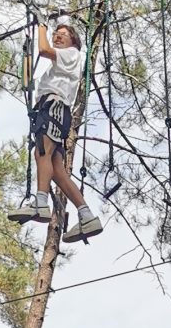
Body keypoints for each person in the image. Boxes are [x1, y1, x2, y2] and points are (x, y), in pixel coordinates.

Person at [9, 15, 103, 241]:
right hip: (54, 109)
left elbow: (43, 50)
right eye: (55, 34)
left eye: (63, 34)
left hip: (54, 107)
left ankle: (41, 202)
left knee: (42, 151)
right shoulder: (61, 65)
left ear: (74, 40)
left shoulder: (72, 55)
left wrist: (42, 26)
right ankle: (86, 215)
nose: (57, 36)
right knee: (57, 171)